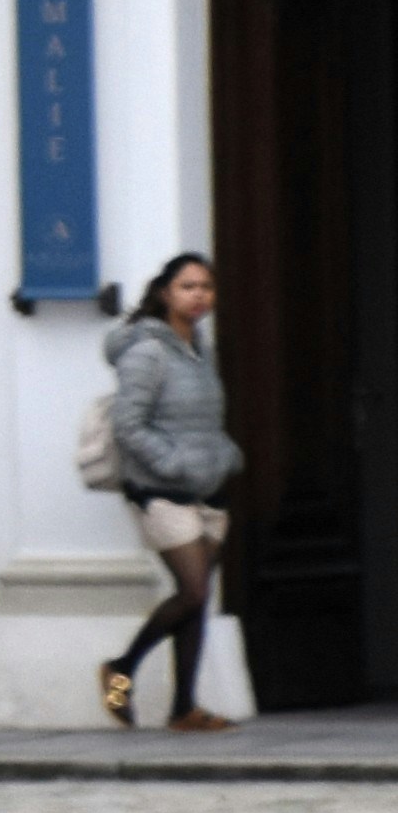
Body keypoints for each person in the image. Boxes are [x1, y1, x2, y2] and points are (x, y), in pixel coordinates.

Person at [99, 254, 241, 732]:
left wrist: (223, 455)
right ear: (165, 293)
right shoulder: (147, 352)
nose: (198, 295)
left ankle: (183, 708)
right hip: (162, 492)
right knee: (193, 590)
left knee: (196, 600)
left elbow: (205, 420)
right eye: (187, 286)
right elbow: (127, 425)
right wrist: (174, 464)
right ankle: (121, 670)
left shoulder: (201, 348)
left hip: (209, 490)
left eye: (205, 286)